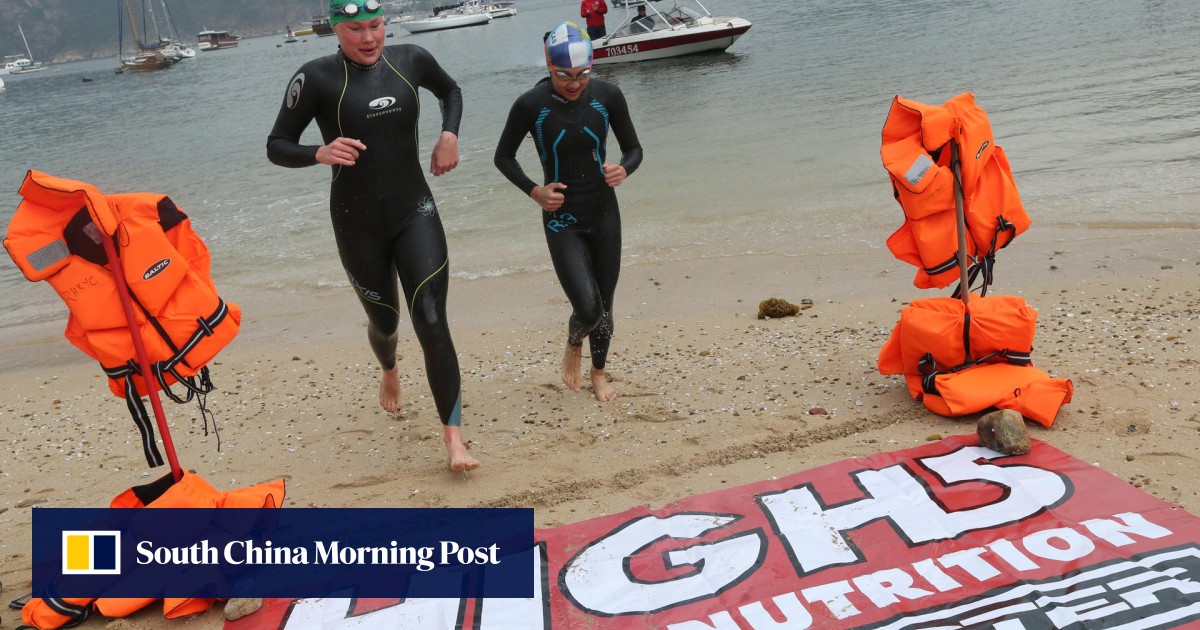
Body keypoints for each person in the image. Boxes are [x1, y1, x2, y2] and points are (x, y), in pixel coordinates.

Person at [266, 0, 479, 473]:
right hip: (356, 220)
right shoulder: (315, 78)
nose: (369, 38)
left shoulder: (411, 61)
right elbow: (276, 145)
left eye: (376, 26)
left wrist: (449, 134)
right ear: (335, 30)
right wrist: (318, 152)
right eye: (356, 29)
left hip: (414, 211)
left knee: (429, 315)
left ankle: (454, 440)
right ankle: (389, 369)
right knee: (385, 322)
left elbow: (451, 91)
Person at [494, 21, 643, 402]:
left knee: (605, 306)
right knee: (588, 308)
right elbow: (503, 157)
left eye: (582, 75)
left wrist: (624, 167)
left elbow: (634, 149)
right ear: (549, 66)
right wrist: (535, 191)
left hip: (604, 212)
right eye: (564, 76)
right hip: (562, 218)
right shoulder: (530, 104)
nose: (574, 84)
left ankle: (598, 373)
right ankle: (575, 338)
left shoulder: (608, 96)